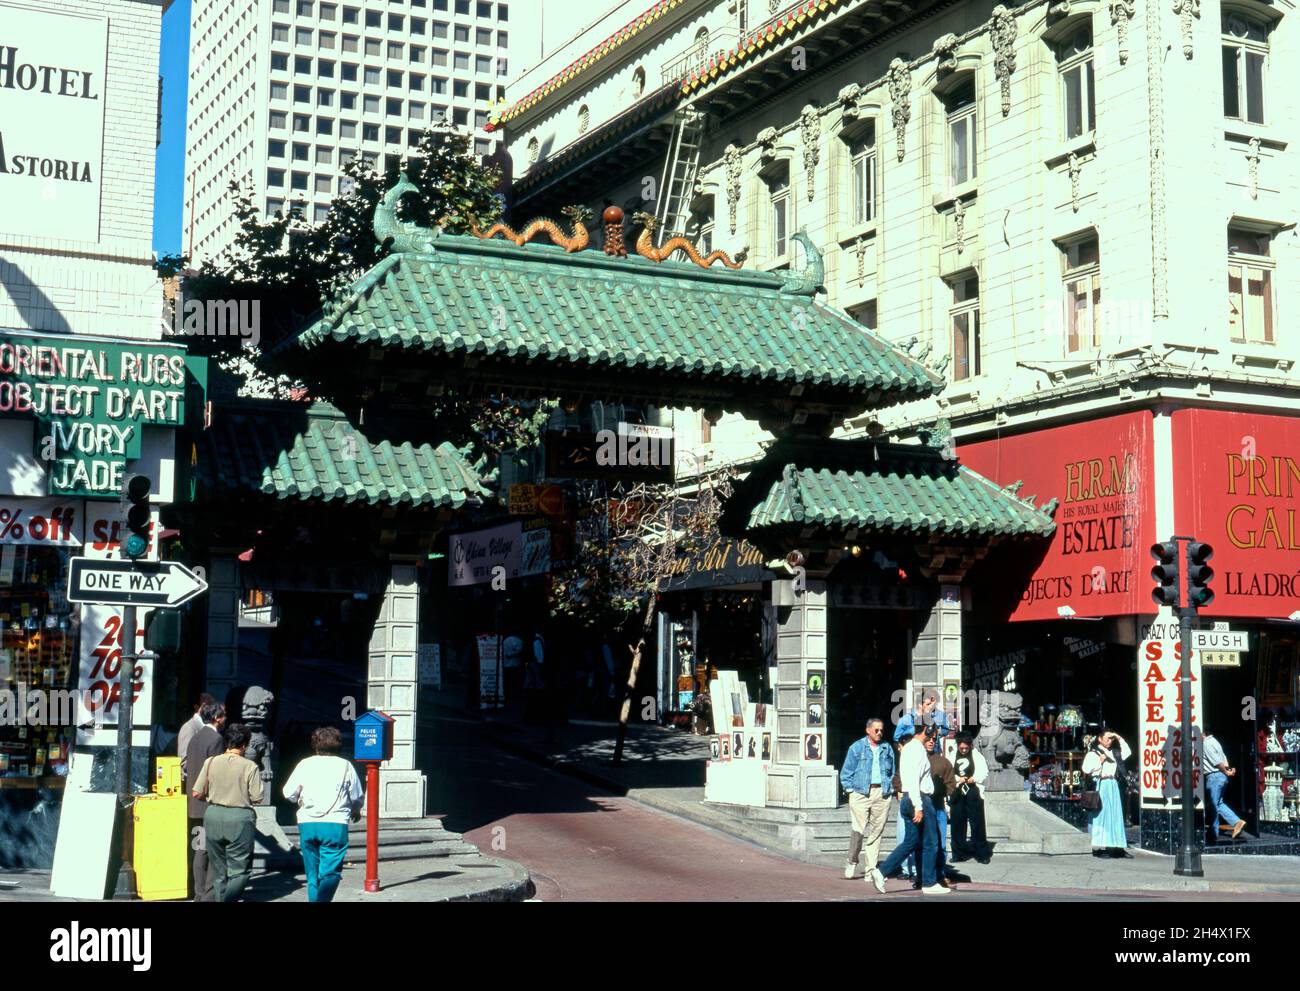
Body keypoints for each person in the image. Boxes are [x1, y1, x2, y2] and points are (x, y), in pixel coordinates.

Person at [282, 726, 365, 902]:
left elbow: (288, 793)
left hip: (307, 823)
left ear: (315, 744)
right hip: (335, 823)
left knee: (312, 873)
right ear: (338, 744)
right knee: (331, 872)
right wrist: (356, 809)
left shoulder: (304, 764)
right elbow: (357, 795)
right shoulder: (345, 766)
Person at [191, 723, 265, 902]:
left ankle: (220, 898)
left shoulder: (210, 762)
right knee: (241, 871)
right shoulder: (250, 766)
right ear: (245, 745)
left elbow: (196, 792)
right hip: (239, 818)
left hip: (213, 814)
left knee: (218, 869)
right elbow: (257, 798)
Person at [878, 726, 949, 895]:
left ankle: (881, 872)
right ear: (926, 730)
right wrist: (919, 807)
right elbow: (913, 780)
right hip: (919, 798)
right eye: (934, 732)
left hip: (910, 798)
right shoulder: (916, 749)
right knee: (931, 841)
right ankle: (929, 883)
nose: (935, 736)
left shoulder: (911, 747)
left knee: (912, 841)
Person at [892, 690, 949, 877]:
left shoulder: (938, 717)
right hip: (915, 786)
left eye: (934, 702)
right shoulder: (908, 722)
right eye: (928, 702)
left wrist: (936, 729)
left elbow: (946, 731)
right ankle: (923, 877)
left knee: (919, 839)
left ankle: (922, 874)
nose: (932, 705)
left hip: (931, 760)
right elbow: (897, 738)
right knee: (919, 839)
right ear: (920, 704)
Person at [839, 717, 894, 893]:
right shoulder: (857, 747)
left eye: (881, 730)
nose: (879, 733)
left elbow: (891, 769)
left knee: (877, 832)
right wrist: (849, 790)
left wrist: (890, 787)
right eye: (876, 730)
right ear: (868, 730)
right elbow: (846, 771)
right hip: (860, 792)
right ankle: (852, 861)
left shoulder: (886, 748)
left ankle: (871, 869)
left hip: (881, 792)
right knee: (859, 829)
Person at [183, 701, 226, 901]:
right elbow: (215, 773)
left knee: (199, 848)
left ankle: (198, 892)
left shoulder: (195, 738)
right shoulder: (216, 739)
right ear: (217, 718)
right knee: (209, 850)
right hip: (209, 803)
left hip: (195, 804)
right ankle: (207, 894)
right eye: (224, 715)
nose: (225, 719)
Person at [1082, 728, 1133, 858]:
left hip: (1113, 784)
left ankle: (1115, 846)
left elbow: (1127, 752)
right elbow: (1086, 769)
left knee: (1115, 815)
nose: (1109, 741)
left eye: (1111, 739)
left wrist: (1118, 736)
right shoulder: (1093, 753)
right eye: (1107, 738)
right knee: (1101, 815)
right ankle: (1098, 847)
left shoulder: (1114, 752)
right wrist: (1100, 761)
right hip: (1101, 784)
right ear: (1100, 739)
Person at [950, 733, 992, 862]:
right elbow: (948, 772)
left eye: (966, 748)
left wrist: (974, 778)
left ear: (970, 746)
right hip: (957, 792)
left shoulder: (977, 756)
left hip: (973, 791)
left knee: (977, 823)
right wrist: (958, 779)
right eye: (961, 748)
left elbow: (984, 771)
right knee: (957, 823)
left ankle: (982, 854)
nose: (963, 751)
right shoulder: (952, 756)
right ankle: (958, 853)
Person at [1202, 730, 1246, 841]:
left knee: (1212, 805)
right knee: (1218, 803)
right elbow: (1224, 759)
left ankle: (1213, 833)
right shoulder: (1215, 742)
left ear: (1203, 733)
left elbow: (1217, 762)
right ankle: (1237, 822)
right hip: (1220, 776)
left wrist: (1226, 772)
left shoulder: (1206, 743)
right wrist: (1227, 770)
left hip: (1214, 776)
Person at [177, 692, 217, 776]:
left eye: (212, 705)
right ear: (196, 707)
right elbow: (185, 763)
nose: (210, 709)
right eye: (207, 705)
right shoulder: (189, 728)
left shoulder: (209, 727)